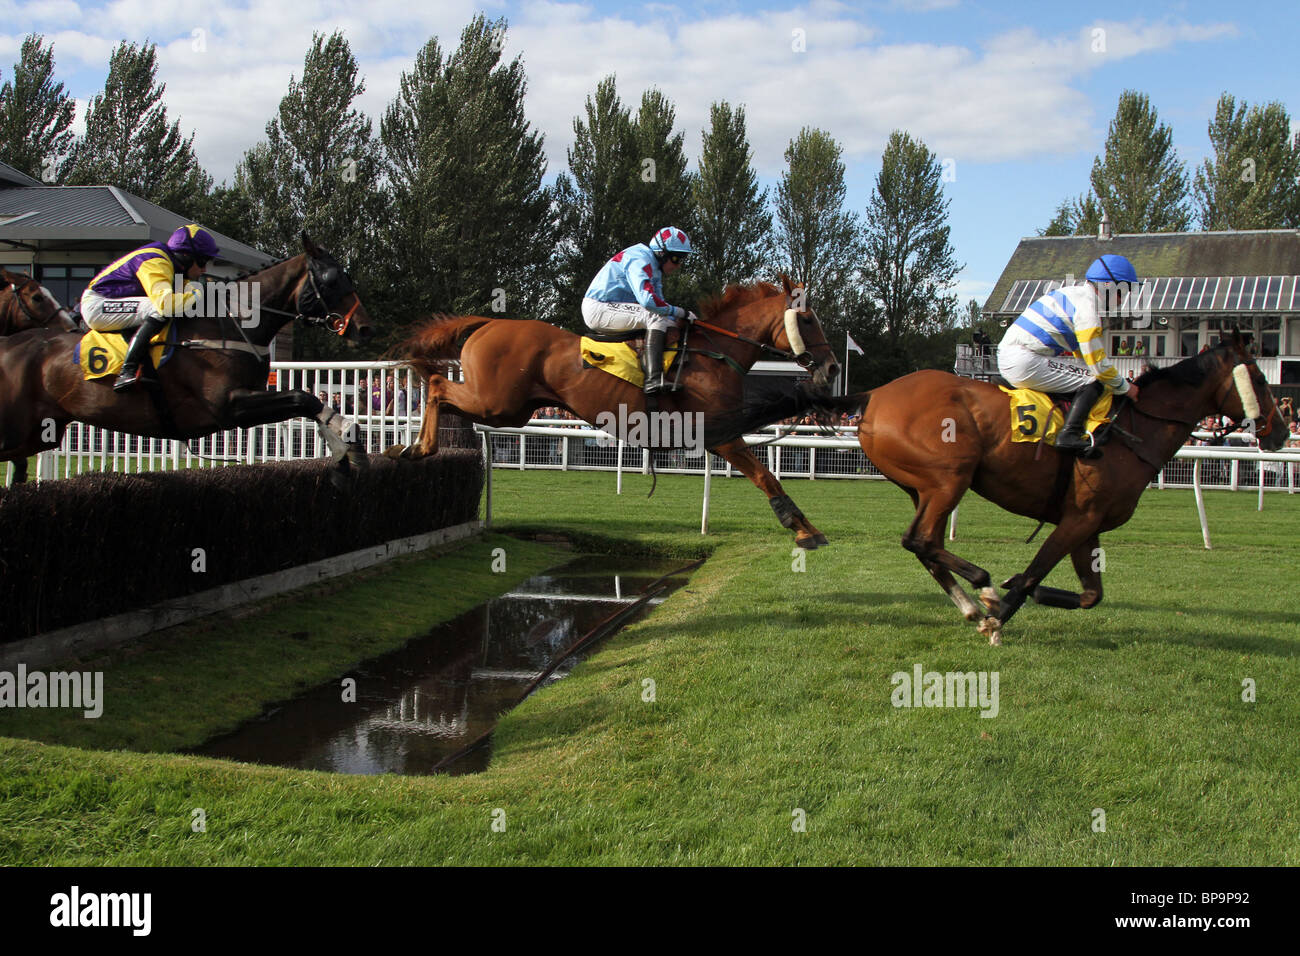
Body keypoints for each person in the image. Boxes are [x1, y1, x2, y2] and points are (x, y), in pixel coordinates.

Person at [997, 253, 1139, 454]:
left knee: (1092, 376)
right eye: (1123, 291)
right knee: (1095, 380)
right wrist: (1125, 387)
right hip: (1025, 360)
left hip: (1017, 356)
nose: (1123, 298)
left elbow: (1080, 353)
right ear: (1108, 286)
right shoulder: (1088, 310)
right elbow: (1097, 365)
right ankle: (1069, 434)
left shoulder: (1072, 293)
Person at [81, 224, 219, 391]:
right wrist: (201, 292)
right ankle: (128, 370)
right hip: (97, 305)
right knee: (161, 308)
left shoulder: (176, 268)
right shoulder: (157, 261)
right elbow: (166, 304)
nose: (204, 269)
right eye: (202, 261)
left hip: (114, 302)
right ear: (185, 256)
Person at [583, 227, 697, 396]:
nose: (678, 265)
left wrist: (687, 318)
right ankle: (653, 379)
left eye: (682, 259)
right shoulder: (640, 258)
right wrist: (682, 312)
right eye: (676, 258)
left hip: (610, 307)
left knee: (667, 321)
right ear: (661, 253)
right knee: (655, 317)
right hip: (599, 308)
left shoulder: (655, 269)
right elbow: (648, 301)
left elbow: (661, 304)